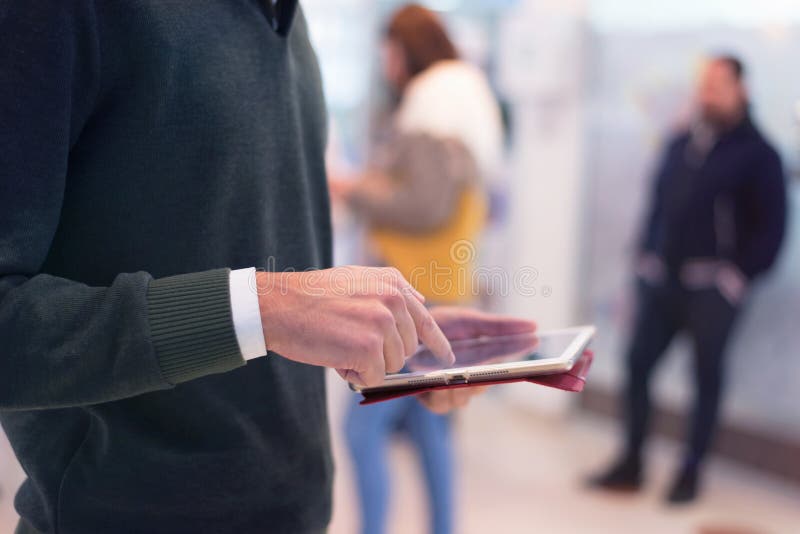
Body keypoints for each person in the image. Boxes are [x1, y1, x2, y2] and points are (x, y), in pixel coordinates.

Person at [0, 2, 536, 533]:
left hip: (296, 513)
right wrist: (261, 307)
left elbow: (248, 269)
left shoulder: (290, 25)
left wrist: (389, 339)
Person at [329, 5, 504, 534]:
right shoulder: (469, 99)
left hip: (411, 299)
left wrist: (354, 188)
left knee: (363, 433)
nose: (386, 65)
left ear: (407, 49)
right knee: (431, 430)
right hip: (443, 290)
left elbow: (426, 207)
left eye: (389, 51)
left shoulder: (433, 106)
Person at [589, 55, 787, 504]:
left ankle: (690, 473)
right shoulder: (682, 142)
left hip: (712, 289)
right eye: (704, 85)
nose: (708, 93)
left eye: (719, 85)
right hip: (662, 282)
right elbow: (658, 203)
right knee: (638, 365)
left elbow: (771, 229)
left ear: (742, 90)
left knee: (706, 379)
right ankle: (631, 461)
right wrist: (644, 258)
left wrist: (735, 278)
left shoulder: (759, 154)